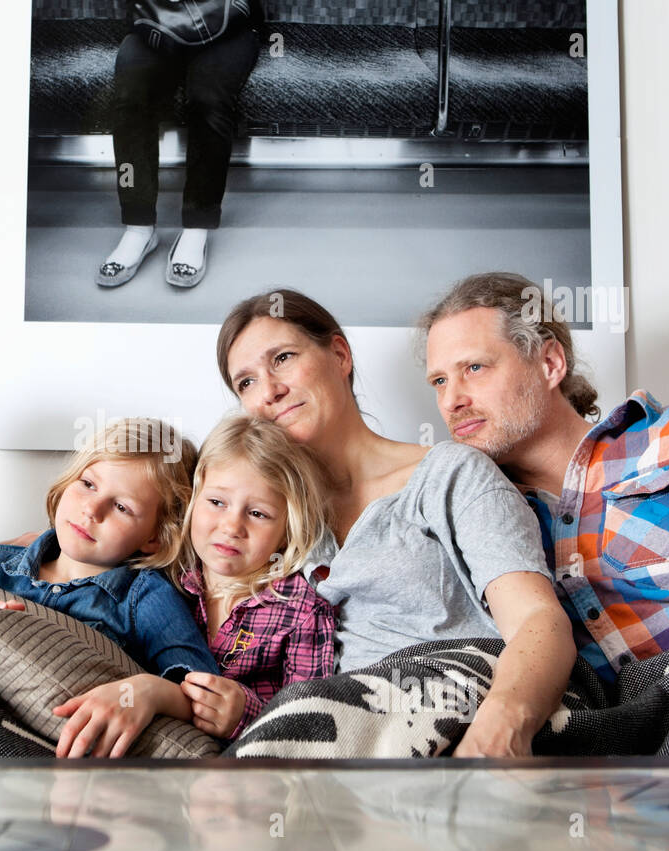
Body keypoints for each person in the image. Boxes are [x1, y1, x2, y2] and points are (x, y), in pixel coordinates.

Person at [419, 271, 669, 755]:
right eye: (439, 380)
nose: (451, 400)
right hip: (604, 751)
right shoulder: (474, 515)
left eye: (474, 369)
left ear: (549, 363)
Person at [217, 289, 578, 757]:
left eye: (282, 358)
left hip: (455, 706)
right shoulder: (270, 519)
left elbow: (537, 620)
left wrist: (499, 732)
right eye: (245, 383)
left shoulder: (449, 473)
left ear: (339, 354)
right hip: (346, 741)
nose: (268, 391)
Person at [0, 417, 223, 757]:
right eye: (88, 484)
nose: (92, 509)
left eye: (122, 507)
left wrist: (146, 692)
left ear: (154, 538)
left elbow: (205, 693)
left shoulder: (144, 596)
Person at [174, 412, 337, 740]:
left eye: (258, 513)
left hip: (253, 766)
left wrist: (244, 714)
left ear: (286, 529)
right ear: (194, 500)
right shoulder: (170, 583)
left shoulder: (302, 611)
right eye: (217, 502)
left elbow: (310, 726)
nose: (232, 526)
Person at [95, 2, 263, 289]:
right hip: (157, 20)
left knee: (208, 100)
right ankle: (138, 227)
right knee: (130, 95)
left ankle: (197, 226)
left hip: (227, 25)